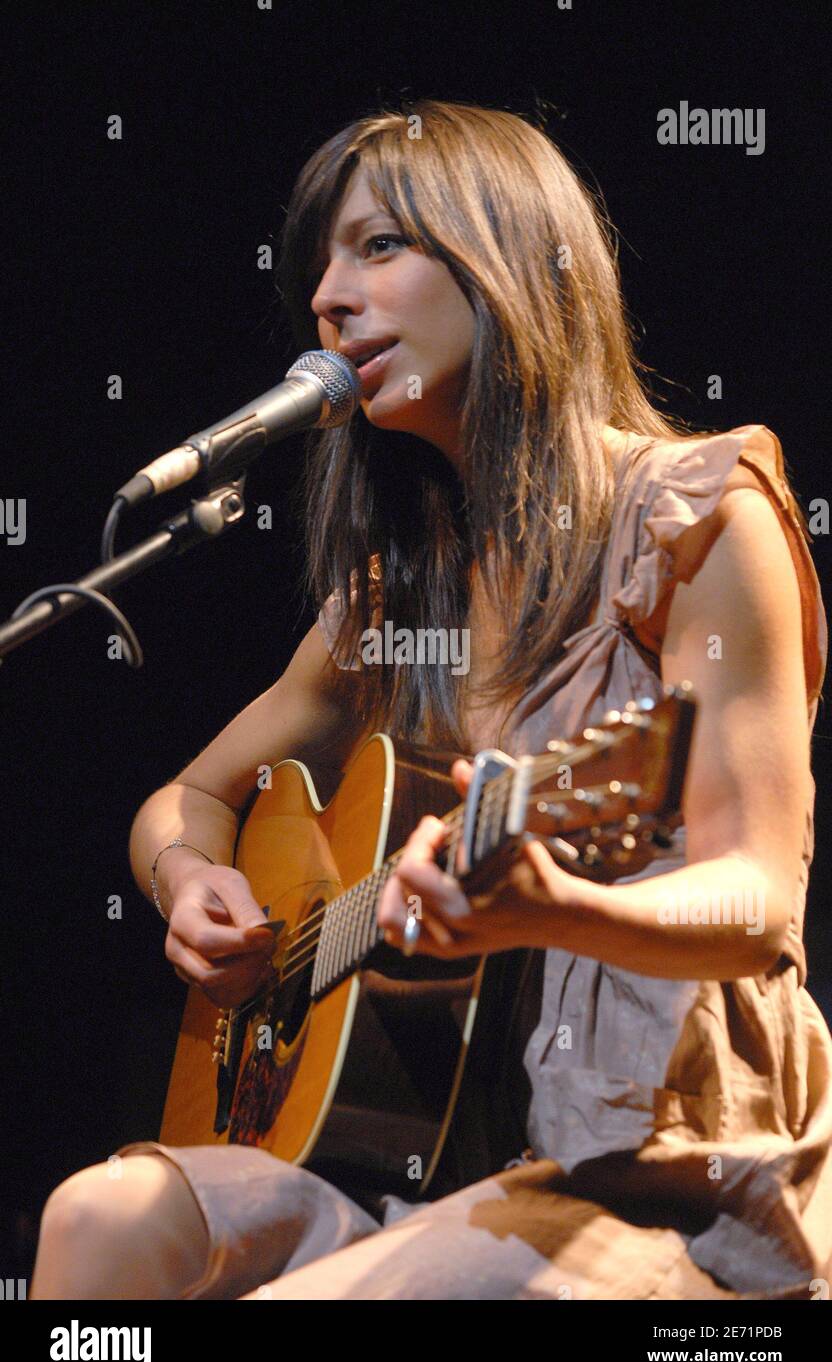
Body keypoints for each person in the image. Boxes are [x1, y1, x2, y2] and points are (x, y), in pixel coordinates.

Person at [30, 99, 831, 1301]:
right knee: (100, 1216)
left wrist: (557, 904)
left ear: (509, 258)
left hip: (658, 1166)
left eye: (380, 245)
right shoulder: (392, 590)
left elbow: (759, 895)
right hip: (441, 1147)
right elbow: (188, 795)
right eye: (321, 262)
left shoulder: (694, 517)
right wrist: (188, 881)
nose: (327, 295)